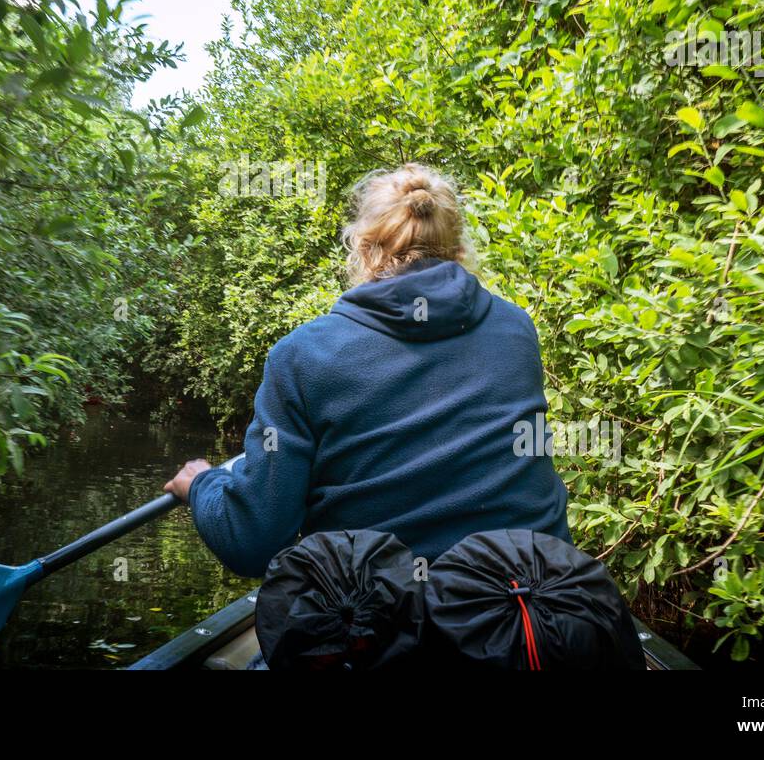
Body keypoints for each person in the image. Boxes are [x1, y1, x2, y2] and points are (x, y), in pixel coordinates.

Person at [165, 163, 572, 578]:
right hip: (534, 607)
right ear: (459, 251)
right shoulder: (517, 329)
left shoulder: (303, 355)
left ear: (362, 248)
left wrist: (201, 485)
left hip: (386, 624)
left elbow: (252, 543)